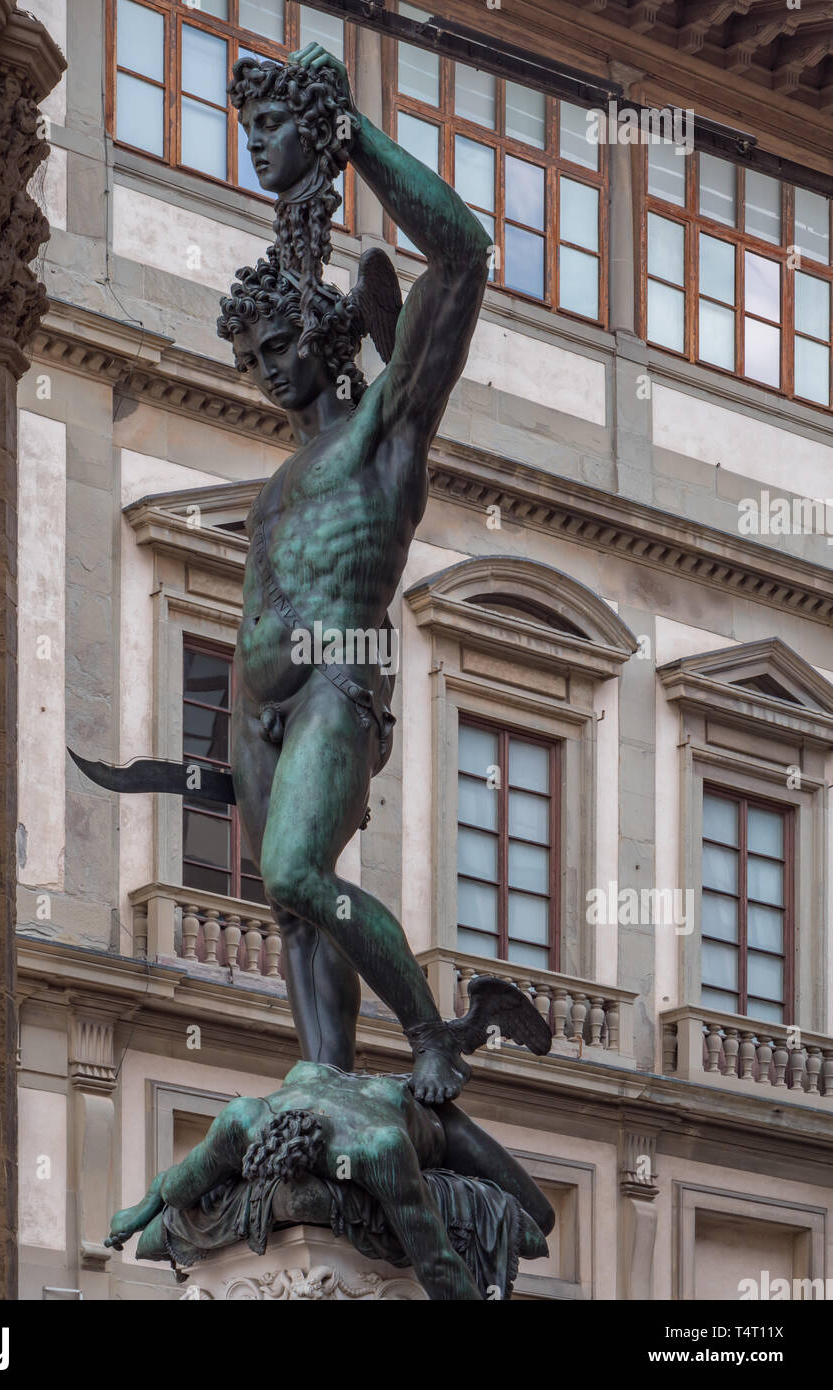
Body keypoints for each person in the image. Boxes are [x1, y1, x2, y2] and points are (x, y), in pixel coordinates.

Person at [216, 42, 492, 1105]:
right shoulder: (281, 478)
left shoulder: (388, 430)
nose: (268, 369)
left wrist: (347, 137)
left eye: (279, 343)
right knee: (290, 909)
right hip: (259, 710)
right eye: (253, 359)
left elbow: (463, 257)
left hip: (339, 682)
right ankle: (323, 1078)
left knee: (295, 871)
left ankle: (430, 1032)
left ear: (323, 335)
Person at [108, 1061, 555, 1301]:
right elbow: (178, 1188)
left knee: (540, 1216)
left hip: (431, 1117)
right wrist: (140, 1210)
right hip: (322, 1076)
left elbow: (435, 1257)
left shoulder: (377, 1148)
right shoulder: (242, 1120)